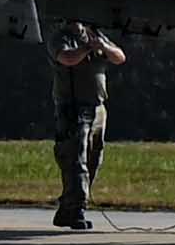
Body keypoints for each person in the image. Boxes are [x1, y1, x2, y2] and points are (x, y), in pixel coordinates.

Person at [50, 20, 129, 230]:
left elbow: (120, 57)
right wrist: (87, 48)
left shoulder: (95, 34)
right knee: (76, 160)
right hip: (73, 108)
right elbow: (67, 58)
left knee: (94, 158)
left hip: (97, 107)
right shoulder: (61, 37)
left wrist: (103, 47)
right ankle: (76, 209)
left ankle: (67, 208)